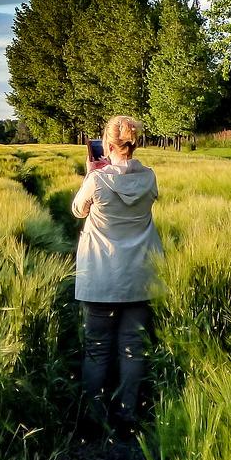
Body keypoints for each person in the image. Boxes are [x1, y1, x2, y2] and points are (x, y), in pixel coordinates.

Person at [70, 115, 160, 434]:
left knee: (97, 347)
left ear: (107, 144)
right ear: (135, 144)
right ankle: (128, 415)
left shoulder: (97, 180)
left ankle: (95, 415)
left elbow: (78, 210)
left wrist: (93, 173)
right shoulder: (149, 178)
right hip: (140, 274)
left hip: (101, 276)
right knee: (134, 345)